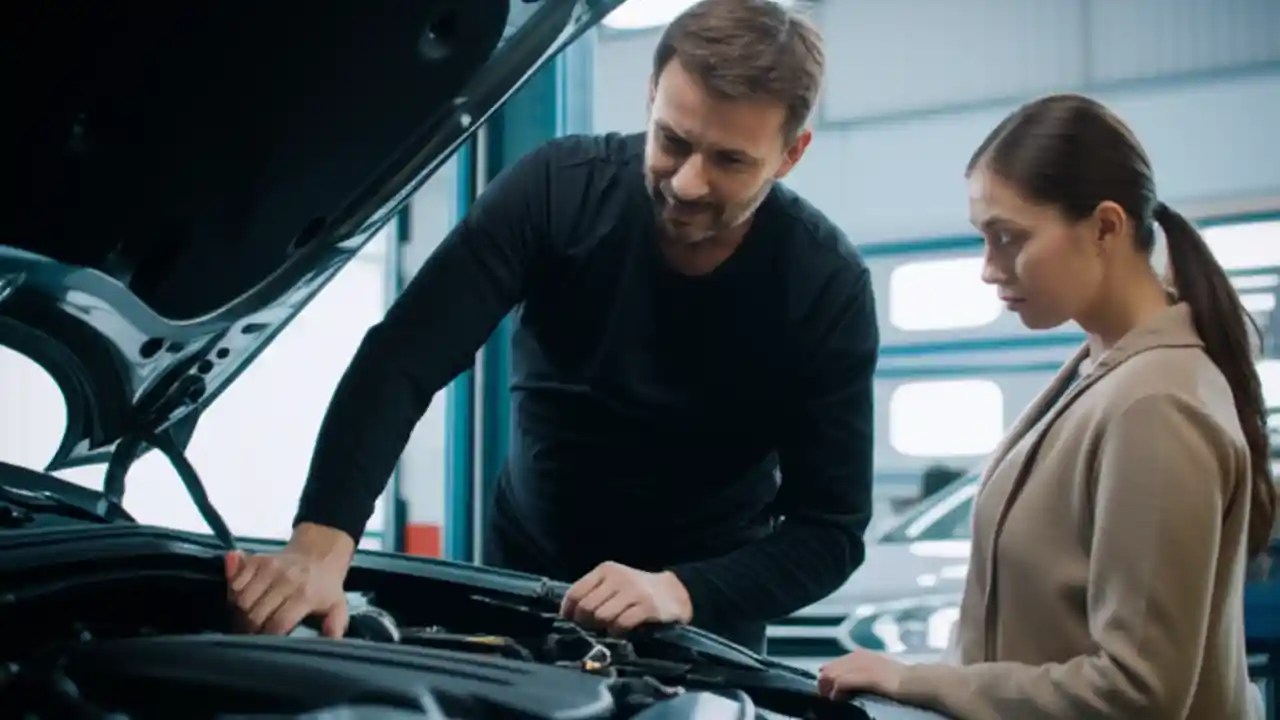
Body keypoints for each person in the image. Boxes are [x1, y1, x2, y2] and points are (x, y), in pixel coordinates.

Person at [224, 0, 879, 654]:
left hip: (700, 623)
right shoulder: (557, 190)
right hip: (519, 589)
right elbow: (402, 360)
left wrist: (679, 590)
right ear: (651, 96)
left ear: (792, 154)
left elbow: (829, 531)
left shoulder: (826, 287)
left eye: (731, 161)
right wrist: (321, 542)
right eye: (672, 140)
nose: (687, 182)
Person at [816, 93, 1277, 719]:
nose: (988, 268)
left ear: (1106, 228)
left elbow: (1136, 692)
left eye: (1009, 238)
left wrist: (916, 681)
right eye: (984, 238)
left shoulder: (1156, 404)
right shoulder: (1102, 373)